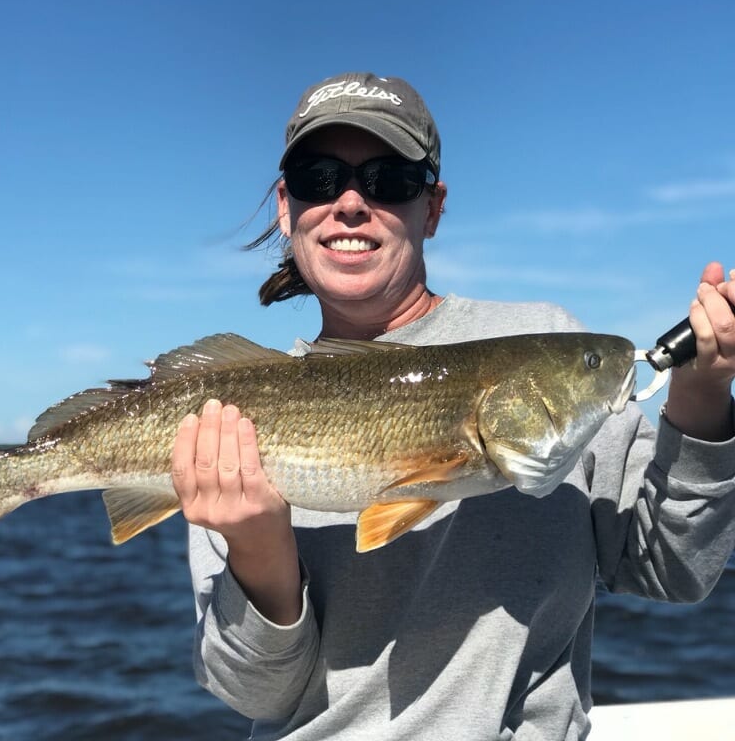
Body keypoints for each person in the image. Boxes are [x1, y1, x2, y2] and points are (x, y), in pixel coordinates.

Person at [169, 71, 735, 740]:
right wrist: (258, 547)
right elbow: (258, 695)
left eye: (388, 180)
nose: (351, 203)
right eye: (320, 178)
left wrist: (701, 398)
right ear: (287, 207)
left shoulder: (542, 338)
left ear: (432, 207)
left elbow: (674, 568)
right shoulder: (222, 421)